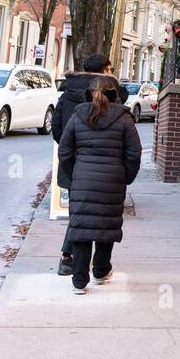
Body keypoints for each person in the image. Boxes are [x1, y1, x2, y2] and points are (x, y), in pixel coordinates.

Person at [57, 75, 142, 294]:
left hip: (82, 179)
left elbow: (64, 151)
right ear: (114, 94)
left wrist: (74, 173)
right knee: (106, 225)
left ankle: (78, 281)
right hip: (112, 180)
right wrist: (125, 176)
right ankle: (101, 271)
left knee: (82, 228)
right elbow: (134, 153)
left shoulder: (78, 116)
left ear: (88, 93)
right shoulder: (124, 119)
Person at [53, 53, 129, 276]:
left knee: (79, 212)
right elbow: (128, 141)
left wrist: (72, 151)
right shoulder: (113, 93)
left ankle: (69, 260)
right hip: (107, 168)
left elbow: (57, 127)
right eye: (110, 69)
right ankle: (98, 266)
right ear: (105, 70)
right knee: (98, 214)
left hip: (74, 164)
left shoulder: (68, 91)